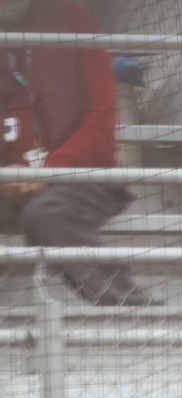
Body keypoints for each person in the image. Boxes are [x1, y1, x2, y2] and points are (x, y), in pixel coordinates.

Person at [0, 0, 153, 306]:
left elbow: (101, 115)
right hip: (9, 180)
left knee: (45, 214)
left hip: (80, 175)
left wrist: (49, 172)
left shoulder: (71, 17)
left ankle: (130, 308)